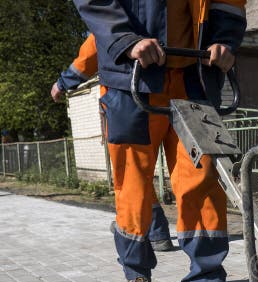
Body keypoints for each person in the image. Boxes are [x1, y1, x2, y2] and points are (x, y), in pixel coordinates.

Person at [71, 0, 248, 282]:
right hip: (131, 79)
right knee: (133, 183)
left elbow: (229, 5)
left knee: (203, 179)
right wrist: (127, 40)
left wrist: (225, 41)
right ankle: (136, 273)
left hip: (194, 78)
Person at [52, 34, 175, 253]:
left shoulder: (115, 20)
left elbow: (90, 53)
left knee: (130, 174)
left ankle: (147, 232)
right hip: (173, 97)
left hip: (130, 100)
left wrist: (62, 83)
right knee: (157, 176)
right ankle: (158, 233)